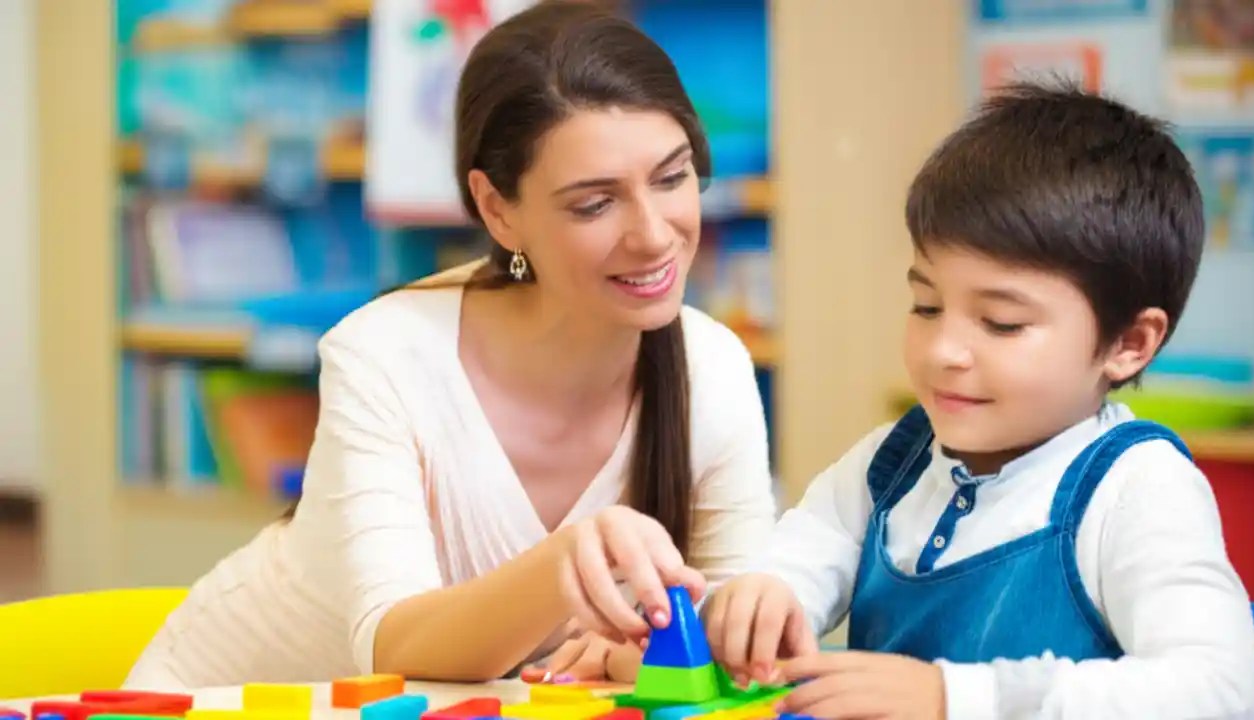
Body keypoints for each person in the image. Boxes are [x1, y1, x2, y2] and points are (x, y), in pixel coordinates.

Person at [125, 0, 775, 689]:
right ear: (497, 210)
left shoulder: (712, 368)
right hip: (219, 699)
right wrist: (563, 565)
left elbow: (732, 641)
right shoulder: (385, 355)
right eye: (594, 203)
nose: (654, 233)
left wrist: (643, 652)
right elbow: (394, 648)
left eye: (672, 179)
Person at [691, 83, 1254, 719]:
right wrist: (762, 600)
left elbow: (1225, 693)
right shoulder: (889, 463)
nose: (944, 350)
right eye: (927, 306)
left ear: (1129, 343)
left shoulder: (1138, 489)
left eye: (1000, 323)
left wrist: (954, 698)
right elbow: (796, 564)